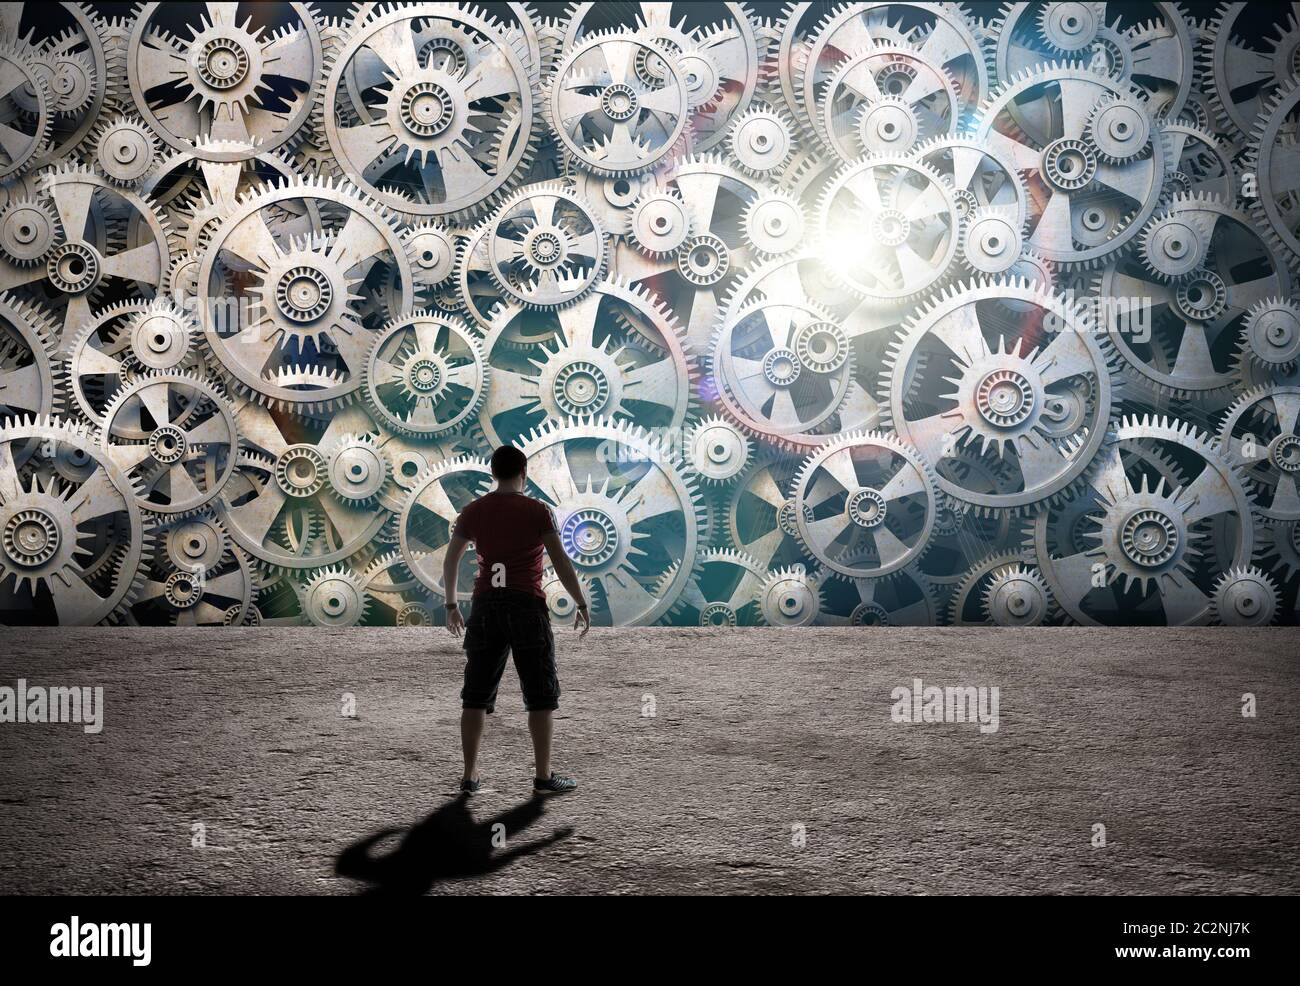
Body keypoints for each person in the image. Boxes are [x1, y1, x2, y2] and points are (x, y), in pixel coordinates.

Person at [442, 445, 591, 795]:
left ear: (493, 473)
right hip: (526, 605)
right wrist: (580, 602)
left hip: (485, 606)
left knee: (475, 695)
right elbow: (561, 560)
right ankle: (542, 777)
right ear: (523, 472)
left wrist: (450, 605)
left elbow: (451, 561)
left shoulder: (473, 512)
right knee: (540, 694)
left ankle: (470, 777)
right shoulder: (537, 511)